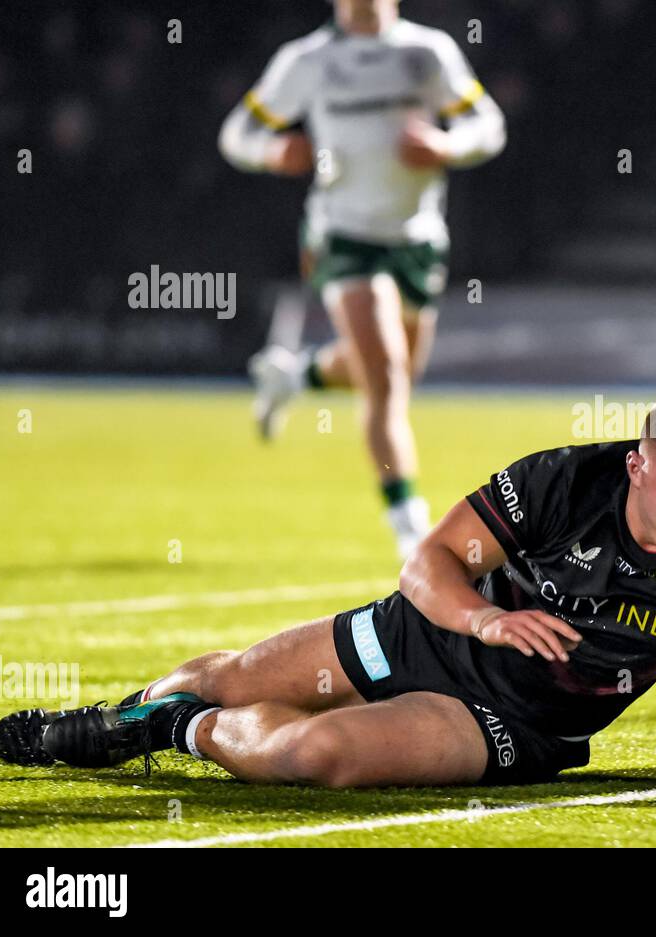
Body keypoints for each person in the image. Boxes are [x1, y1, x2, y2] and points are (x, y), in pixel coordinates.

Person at [0, 387, 656, 788]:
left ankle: (168, 728)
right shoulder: (563, 481)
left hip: (518, 721)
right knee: (230, 677)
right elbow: (427, 562)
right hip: (427, 632)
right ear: (636, 464)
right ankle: (138, 717)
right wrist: (485, 620)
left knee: (315, 758)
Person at [219, 0, 506, 556]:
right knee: (386, 378)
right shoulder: (308, 60)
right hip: (343, 235)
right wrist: (273, 149)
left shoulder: (428, 51)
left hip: (417, 237)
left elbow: (489, 125)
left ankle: (295, 376)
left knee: (395, 370)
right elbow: (236, 134)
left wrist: (448, 145)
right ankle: (410, 527)